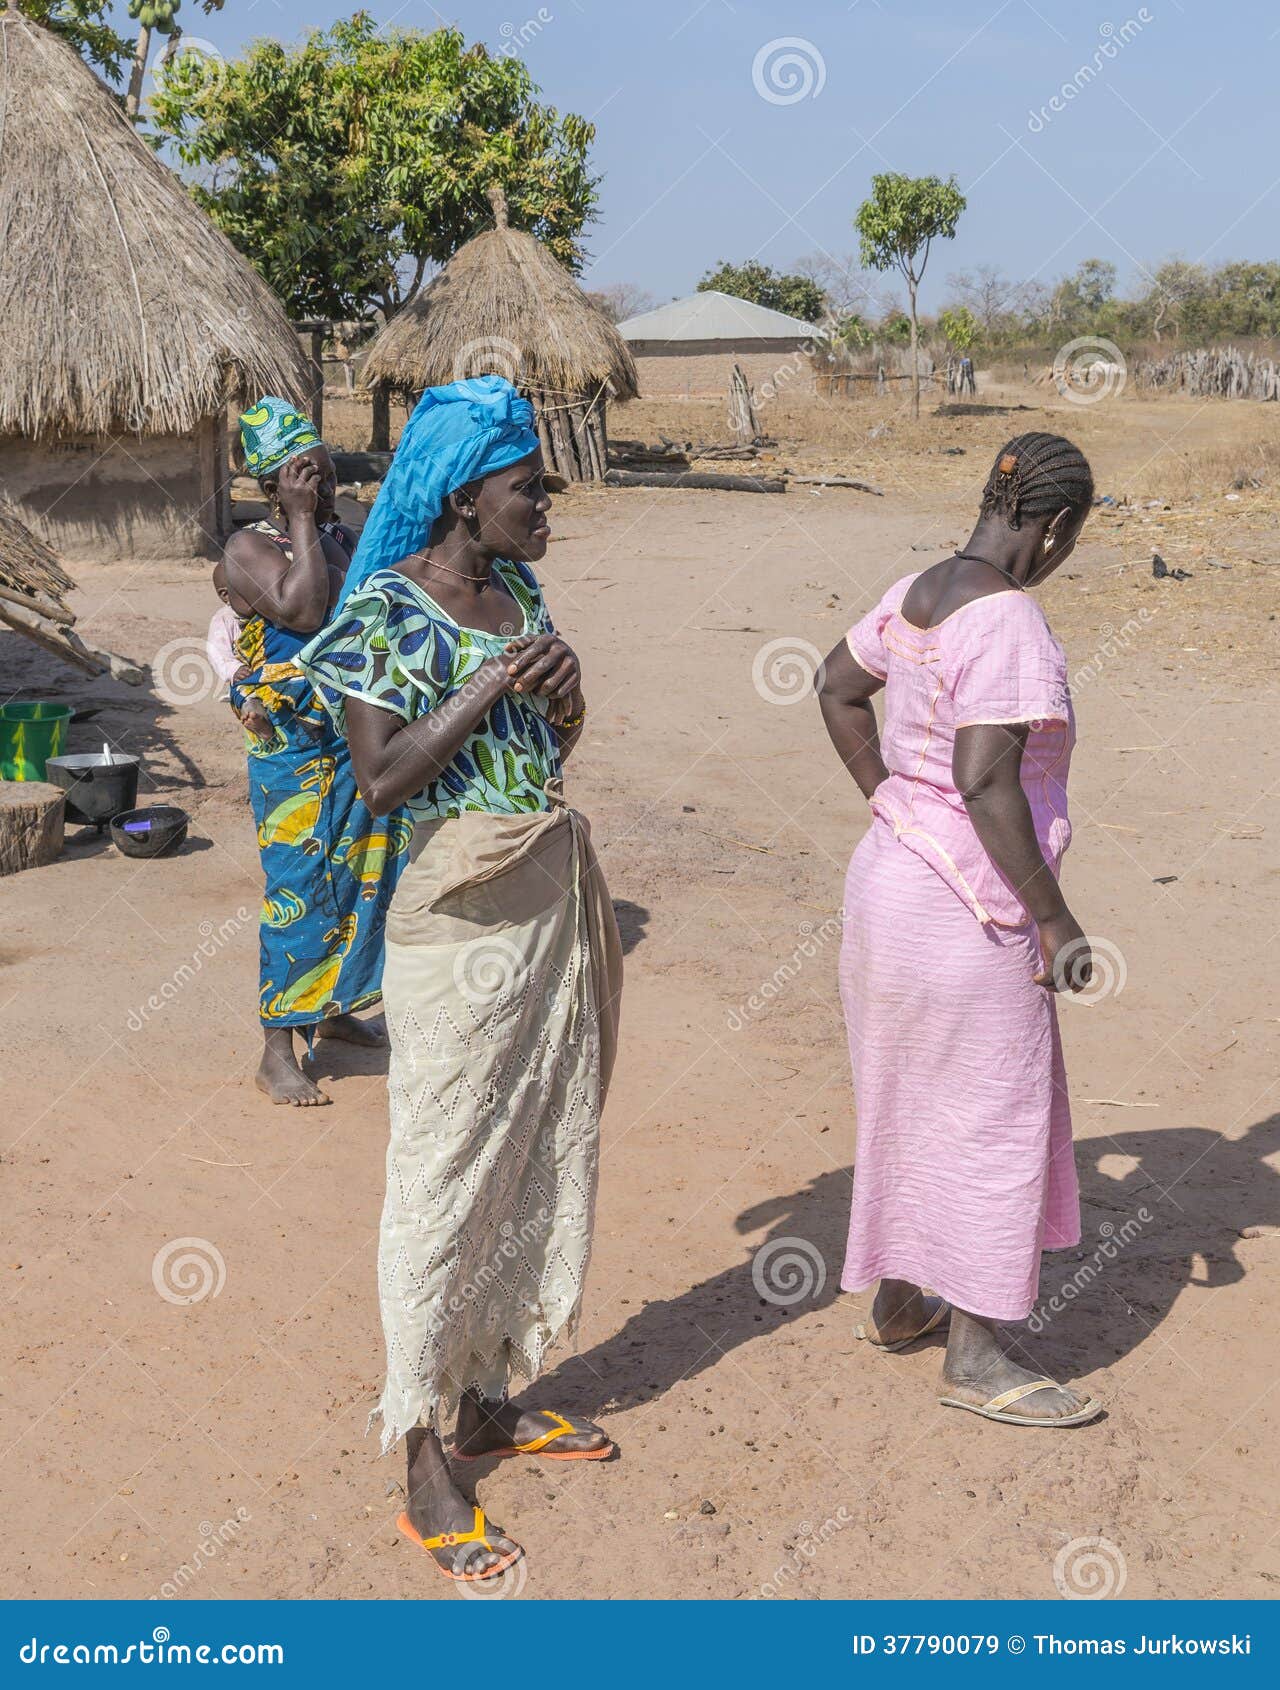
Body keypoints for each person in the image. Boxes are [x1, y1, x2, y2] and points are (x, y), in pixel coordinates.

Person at [299, 376, 623, 1584]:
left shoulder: (520, 590)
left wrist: (565, 689)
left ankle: (485, 1392)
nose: (547, 502)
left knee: (532, 1148)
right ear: (461, 494)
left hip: (542, 896)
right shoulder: (385, 609)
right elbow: (380, 780)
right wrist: (492, 680)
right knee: (439, 1172)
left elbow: (545, 744)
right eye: (527, 485)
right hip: (453, 917)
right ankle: (421, 1446)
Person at [817, 432, 1104, 1428]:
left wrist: (892, 798)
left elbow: (833, 684)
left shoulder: (916, 590)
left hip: (885, 891)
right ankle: (974, 1356)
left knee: (903, 1101)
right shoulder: (1010, 619)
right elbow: (984, 776)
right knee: (992, 1119)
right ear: (1056, 525)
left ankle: (899, 1300)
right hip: (964, 911)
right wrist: (1055, 917)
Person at [222, 397, 409, 1107]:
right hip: (291, 748)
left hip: (354, 736)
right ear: (274, 485)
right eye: (305, 477)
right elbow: (302, 611)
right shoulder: (246, 549)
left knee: (360, 876)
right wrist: (303, 521)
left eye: (326, 474)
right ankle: (277, 1047)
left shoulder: (341, 534)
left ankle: (332, 1008)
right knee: (299, 887)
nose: (324, 487)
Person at [207, 562, 247, 698]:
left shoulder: (266, 611)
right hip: (244, 679)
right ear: (226, 595)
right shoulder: (224, 619)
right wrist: (234, 669)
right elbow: (217, 652)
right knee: (248, 699)